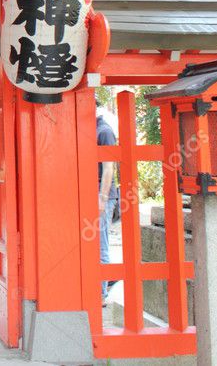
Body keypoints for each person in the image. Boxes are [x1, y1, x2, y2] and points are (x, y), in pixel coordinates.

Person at [97, 106, 119, 302]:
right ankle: (105, 282)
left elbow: (108, 168)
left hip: (102, 194)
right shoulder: (93, 129)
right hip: (92, 191)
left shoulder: (104, 132)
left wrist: (102, 198)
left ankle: (102, 291)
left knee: (100, 241)